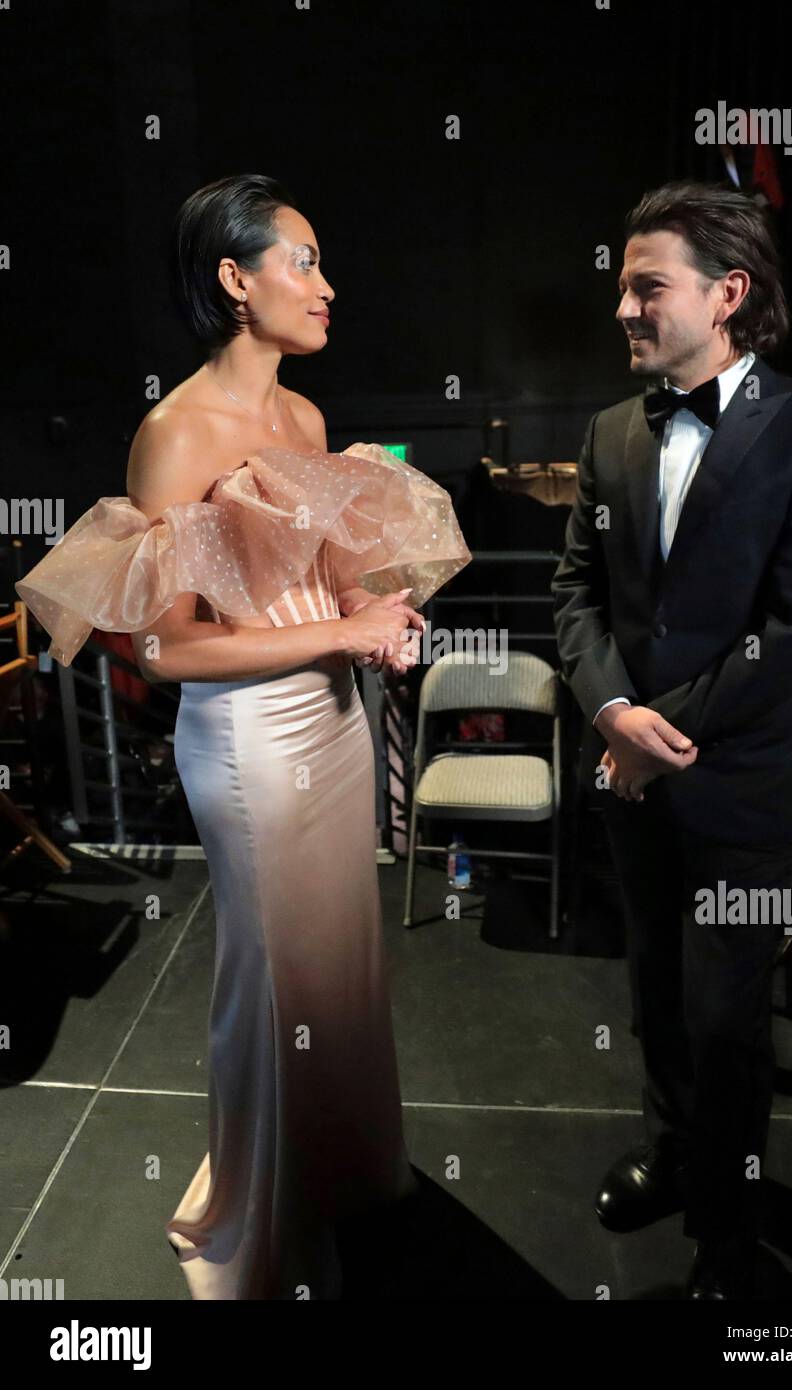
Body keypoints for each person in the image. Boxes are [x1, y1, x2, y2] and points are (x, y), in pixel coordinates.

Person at [16, 173, 471, 1299]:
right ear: (235, 279)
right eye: (302, 262)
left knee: (338, 977)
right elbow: (165, 651)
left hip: (334, 727)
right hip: (251, 749)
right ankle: (261, 1223)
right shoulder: (172, 435)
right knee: (272, 984)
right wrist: (336, 633)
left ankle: (341, 1170)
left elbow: (325, 586)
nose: (326, 286)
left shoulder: (307, 420)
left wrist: (376, 618)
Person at [551, 180, 792, 1299]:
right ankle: (675, 1156)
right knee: (651, 996)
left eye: (647, 287)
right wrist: (607, 713)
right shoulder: (604, 433)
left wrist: (654, 733)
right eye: (622, 288)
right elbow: (575, 595)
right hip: (629, 780)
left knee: (727, 1024)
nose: (624, 309)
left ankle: (729, 1245)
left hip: (739, 793)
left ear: (726, 293)